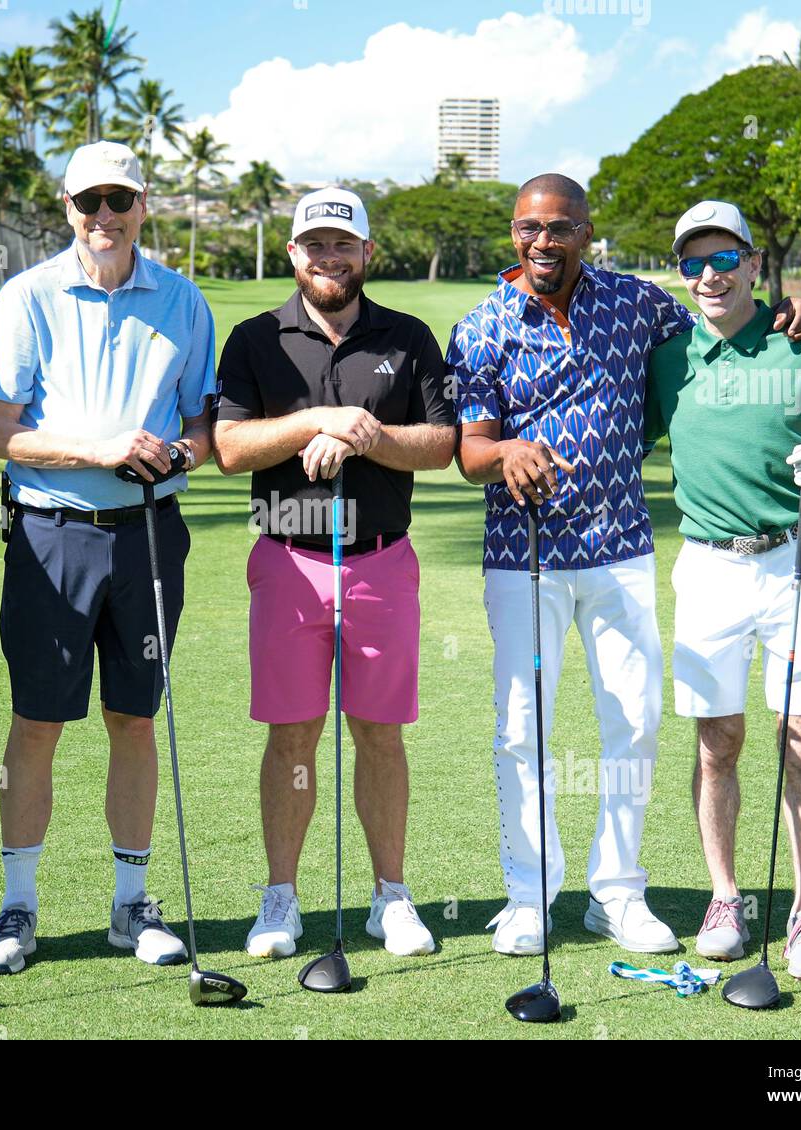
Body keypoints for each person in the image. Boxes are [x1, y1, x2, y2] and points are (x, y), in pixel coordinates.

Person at [448, 174, 801, 957]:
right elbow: (470, 450)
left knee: (634, 721)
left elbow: (728, 322)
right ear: (513, 234)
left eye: (558, 228)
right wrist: (506, 451)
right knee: (524, 726)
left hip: (620, 549)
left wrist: (796, 306)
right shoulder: (480, 327)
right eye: (527, 228)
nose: (541, 242)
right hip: (525, 556)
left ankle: (616, 891)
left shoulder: (641, 305)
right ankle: (530, 893)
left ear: (587, 232)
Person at [0, 140, 216, 973]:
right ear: (66, 209)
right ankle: (17, 909)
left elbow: (202, 430)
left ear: (142, 204)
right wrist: (99, 450)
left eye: (118, 200)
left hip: (150, 530)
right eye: (87, 203)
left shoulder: (182, 301)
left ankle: (129, 905)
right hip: (53, 534)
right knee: (38, 721)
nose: (102, 217)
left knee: (134, 717)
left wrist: (175, 456)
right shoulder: (27, 295)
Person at [213, 187, 456, 959]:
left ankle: (392, 896)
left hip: (382, 559)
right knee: (292, 737)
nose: (329, 258)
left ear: (366, 254)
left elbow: (442, 444)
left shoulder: (409, 336)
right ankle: (280, 900)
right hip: (287, 559)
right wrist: (318, 421)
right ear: (293, 254)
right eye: (314, 245)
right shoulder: (256, 339)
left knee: (380, 735)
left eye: (342, 245)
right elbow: (229, 448)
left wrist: (365, 434)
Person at [645, 200, 801, 980]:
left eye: (723, 258)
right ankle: (725, 895)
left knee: (800, 734)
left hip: (796, 559)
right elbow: (622, 434)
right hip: (708, 565)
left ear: (752, 264)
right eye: (693, 261)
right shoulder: (669, 356)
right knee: (718, 741)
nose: (710, 275)